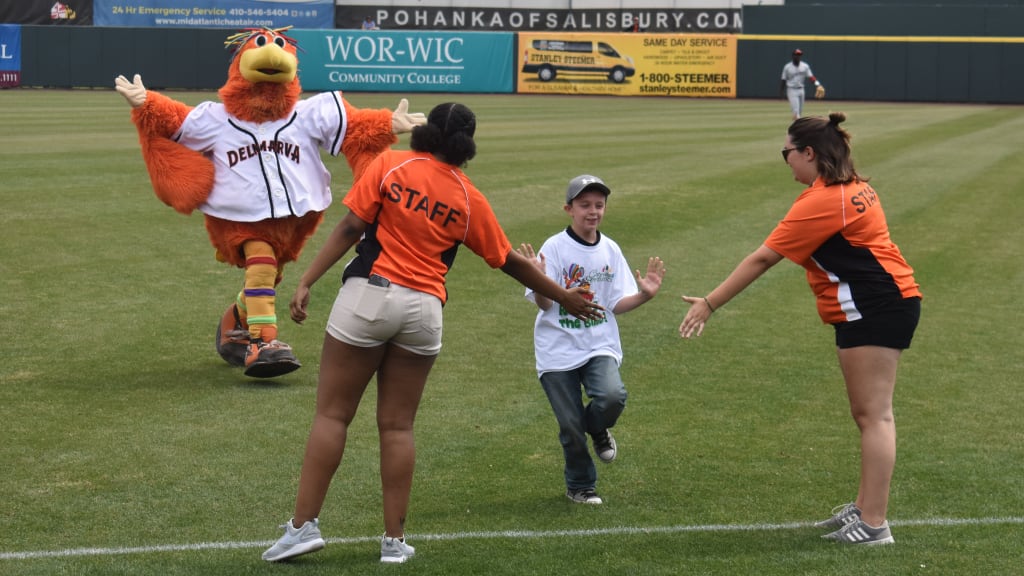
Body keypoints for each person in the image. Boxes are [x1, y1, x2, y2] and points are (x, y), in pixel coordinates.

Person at [262, 103, 604, 564]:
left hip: (369, 296)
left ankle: (302, 528)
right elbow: (508, 261)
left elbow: (350, 226)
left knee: (333, 416)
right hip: (425, 312)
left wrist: (307, 280)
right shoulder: (468, 197)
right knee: (398, 426)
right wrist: (564, 297)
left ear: (426, 132)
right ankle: (393, 542)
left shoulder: (390, 163)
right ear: (467, 144)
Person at [678, 112, 921, 546]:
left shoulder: (823, 201)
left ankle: (874, 523)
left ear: (809, 153)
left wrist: (710, 302)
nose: (786, 160)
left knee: (875, 416)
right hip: (876, 305)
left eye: (787, 152)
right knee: (868, 415)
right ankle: (865, 510)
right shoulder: (845, 188)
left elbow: (762, 258)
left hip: (876, 307)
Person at [518, 175, 665, 505]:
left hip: (599, 343)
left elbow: (615, 303)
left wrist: (645, 296)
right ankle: (581, 485)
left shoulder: (610, 249)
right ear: (568, 209)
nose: (593, 211)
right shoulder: (554, 247)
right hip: (557, 347)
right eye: (584, 205)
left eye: (599, 205)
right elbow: (543, 305)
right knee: (570, 426)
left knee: (612, 397)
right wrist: (540, 281)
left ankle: (598, 428)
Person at [780, 49, 826, 120]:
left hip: (801, 90)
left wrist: (818, 84)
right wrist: (781, 92)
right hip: (791, 90)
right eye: (796, 55)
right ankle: (796, 129)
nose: (798, 57)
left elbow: (811, 77)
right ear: (793, 56)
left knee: (800, 112)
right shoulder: (787, 67)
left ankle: (796, 128)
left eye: (799, 55)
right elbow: (783, 80)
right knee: (796, 112)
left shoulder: (805, 66)